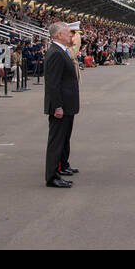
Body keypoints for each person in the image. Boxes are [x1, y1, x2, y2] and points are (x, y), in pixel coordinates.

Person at [44, 22, 80, 189]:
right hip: (61, 105)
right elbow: (53, 83)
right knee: (56, 141)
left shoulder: (61, 50)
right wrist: (57, 106)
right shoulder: (56, 53)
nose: (70, 35)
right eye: (67, 32)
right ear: (58, 35)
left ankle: (61, 166)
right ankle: (52, 176)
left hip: (67, 103)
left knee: (64, 138)